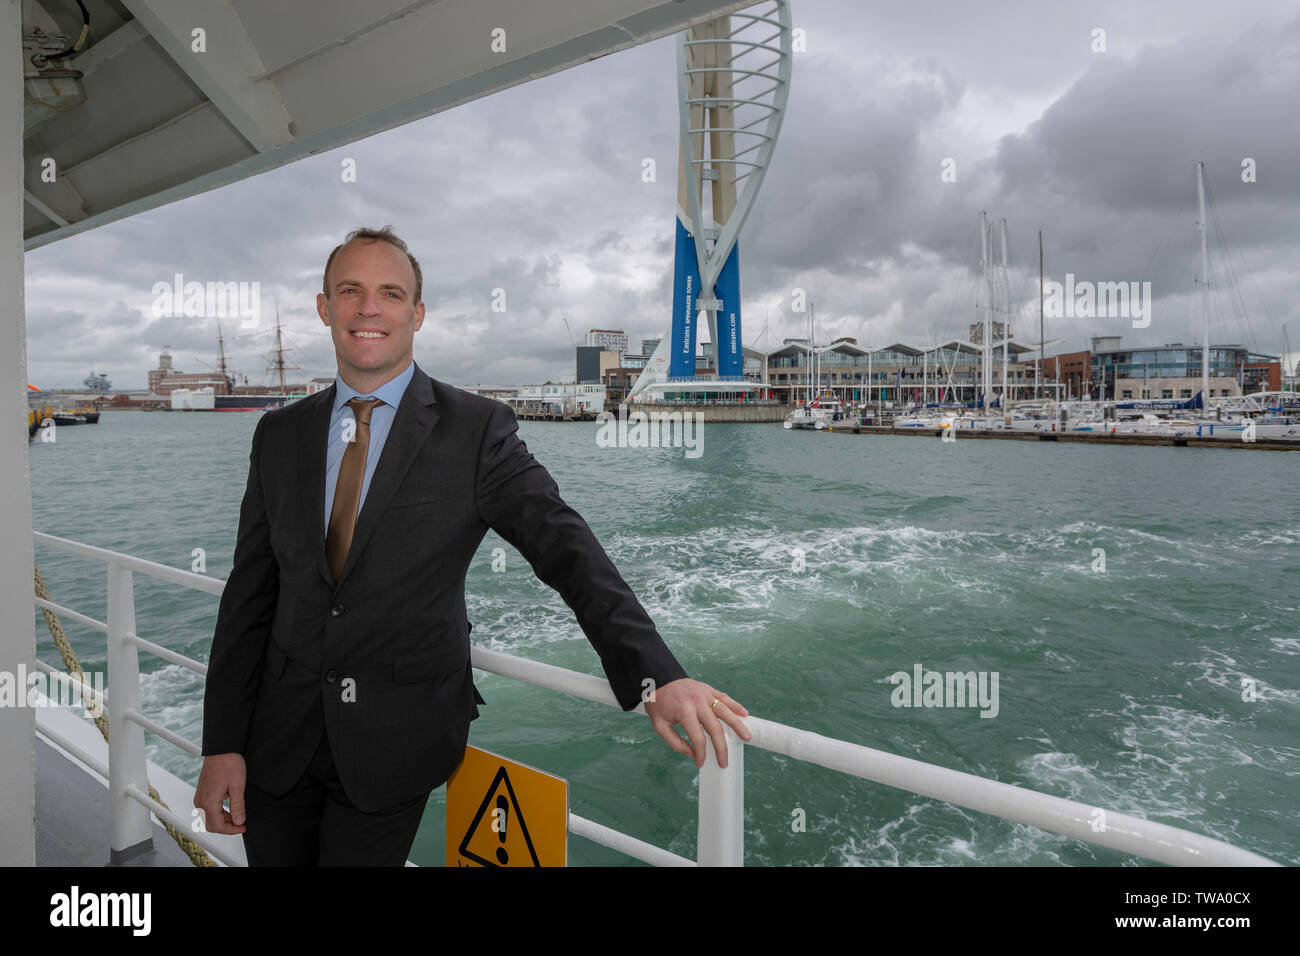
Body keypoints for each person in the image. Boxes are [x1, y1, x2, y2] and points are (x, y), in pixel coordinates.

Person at [194, 226, 750, 866]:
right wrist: (223, 742)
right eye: (351, 290)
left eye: (390, 294)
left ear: (417, 314)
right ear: (325, 308)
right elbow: (248, 597)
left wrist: (657, 672)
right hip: (275, 741)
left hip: (395, 740)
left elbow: (565, 548)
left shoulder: (475, 430)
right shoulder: (279, 435)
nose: (369, 308)